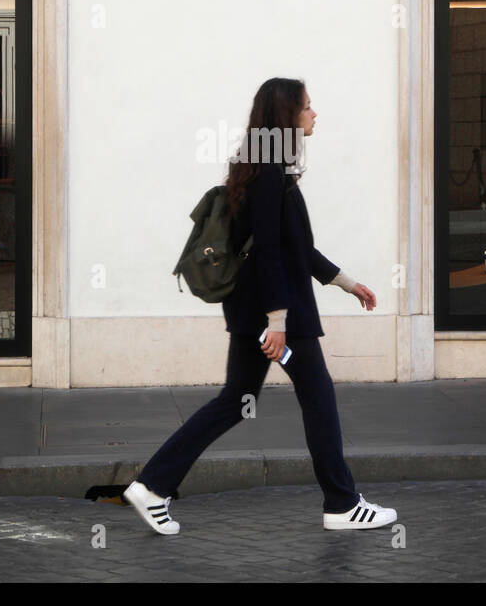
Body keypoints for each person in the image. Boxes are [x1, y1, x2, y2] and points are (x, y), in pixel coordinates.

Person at [124, 78, 399, 534]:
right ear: (287, 115)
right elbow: (270, 250)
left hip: (256, 312)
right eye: (308, 107)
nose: (315, 114)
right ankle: (342, 503)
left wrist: (347, 283)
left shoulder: (262, 165)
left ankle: (153, 485)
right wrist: (278, 323)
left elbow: (295, 247)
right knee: (317, 396)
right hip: (276, 317)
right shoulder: (270, 171)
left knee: (236, 400)